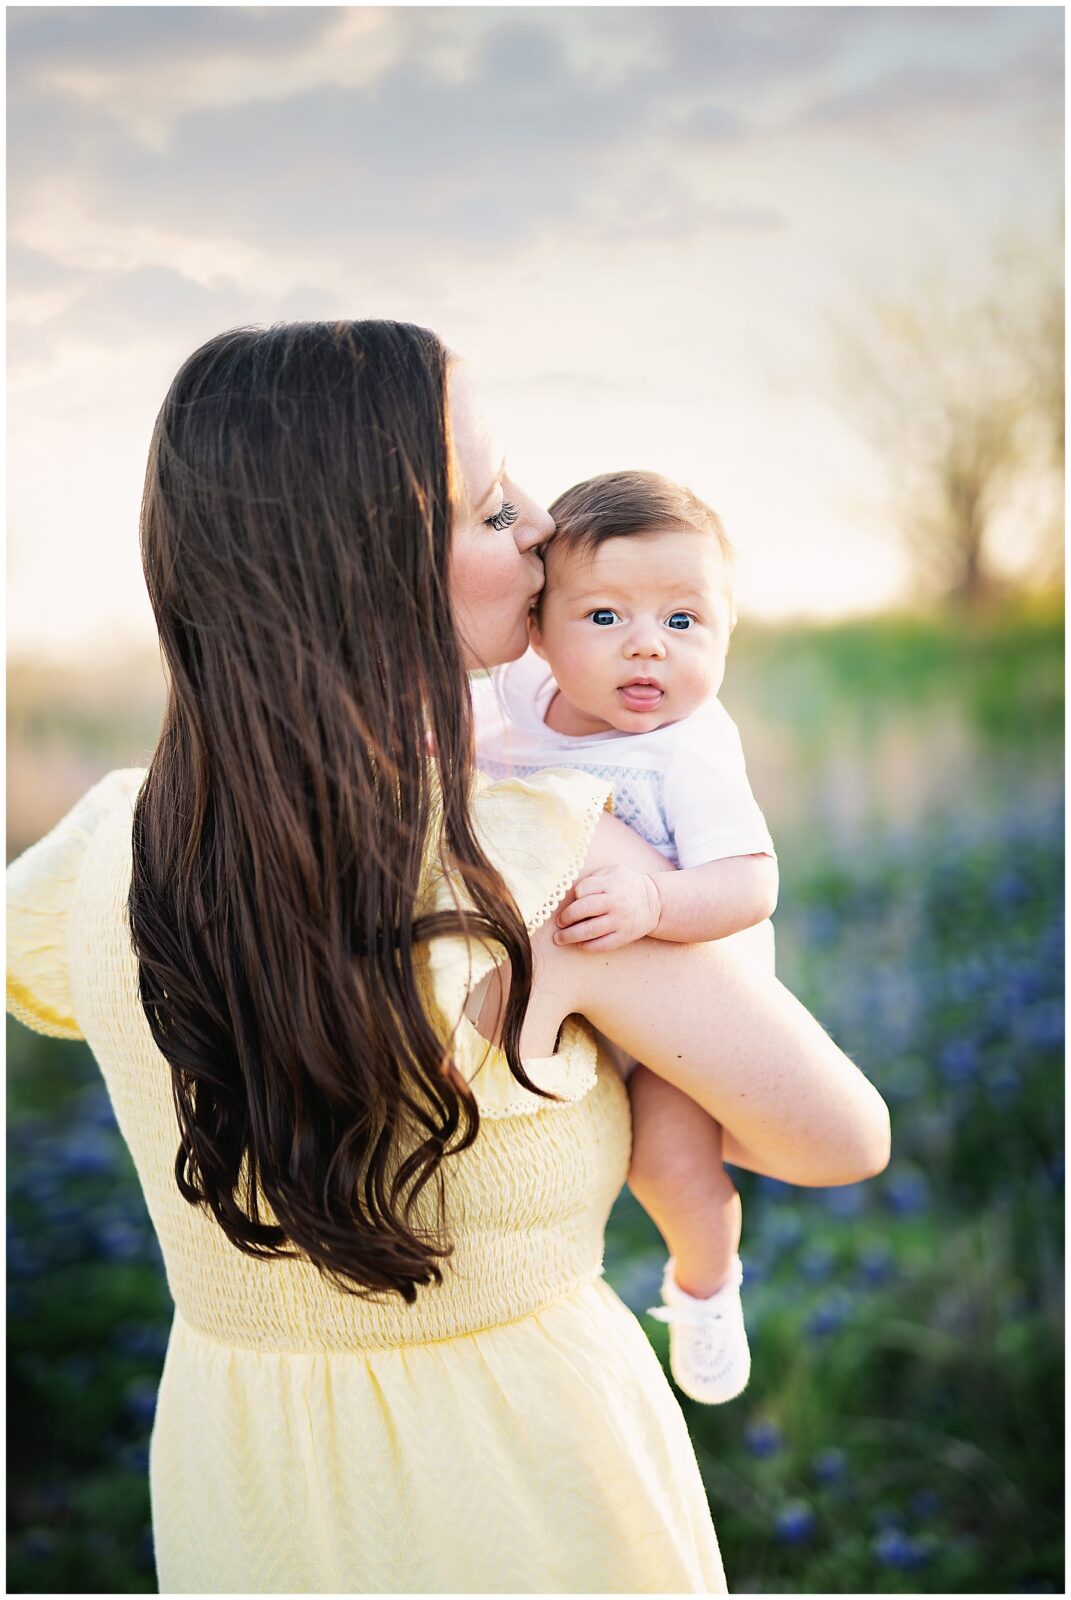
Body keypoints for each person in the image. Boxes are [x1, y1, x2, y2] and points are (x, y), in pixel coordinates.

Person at [6, 319, 890, 1594]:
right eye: (488, 508)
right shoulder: (531, 867)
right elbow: (840, 1137)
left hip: (242, 1488)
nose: (539, 527)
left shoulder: (107, 845)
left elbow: (35, 975)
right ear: (368, 573)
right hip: (527, 1486)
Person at [471, 468, 776, 1408]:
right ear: (538, 628)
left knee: (667, 1164)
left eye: (684, 623)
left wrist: (655, 905)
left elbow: (748, 884)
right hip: (574, 994)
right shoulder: (514, 701)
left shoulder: (687, 748)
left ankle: (704, 1285)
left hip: (689, 1012)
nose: (647, 647)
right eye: (604, 617)